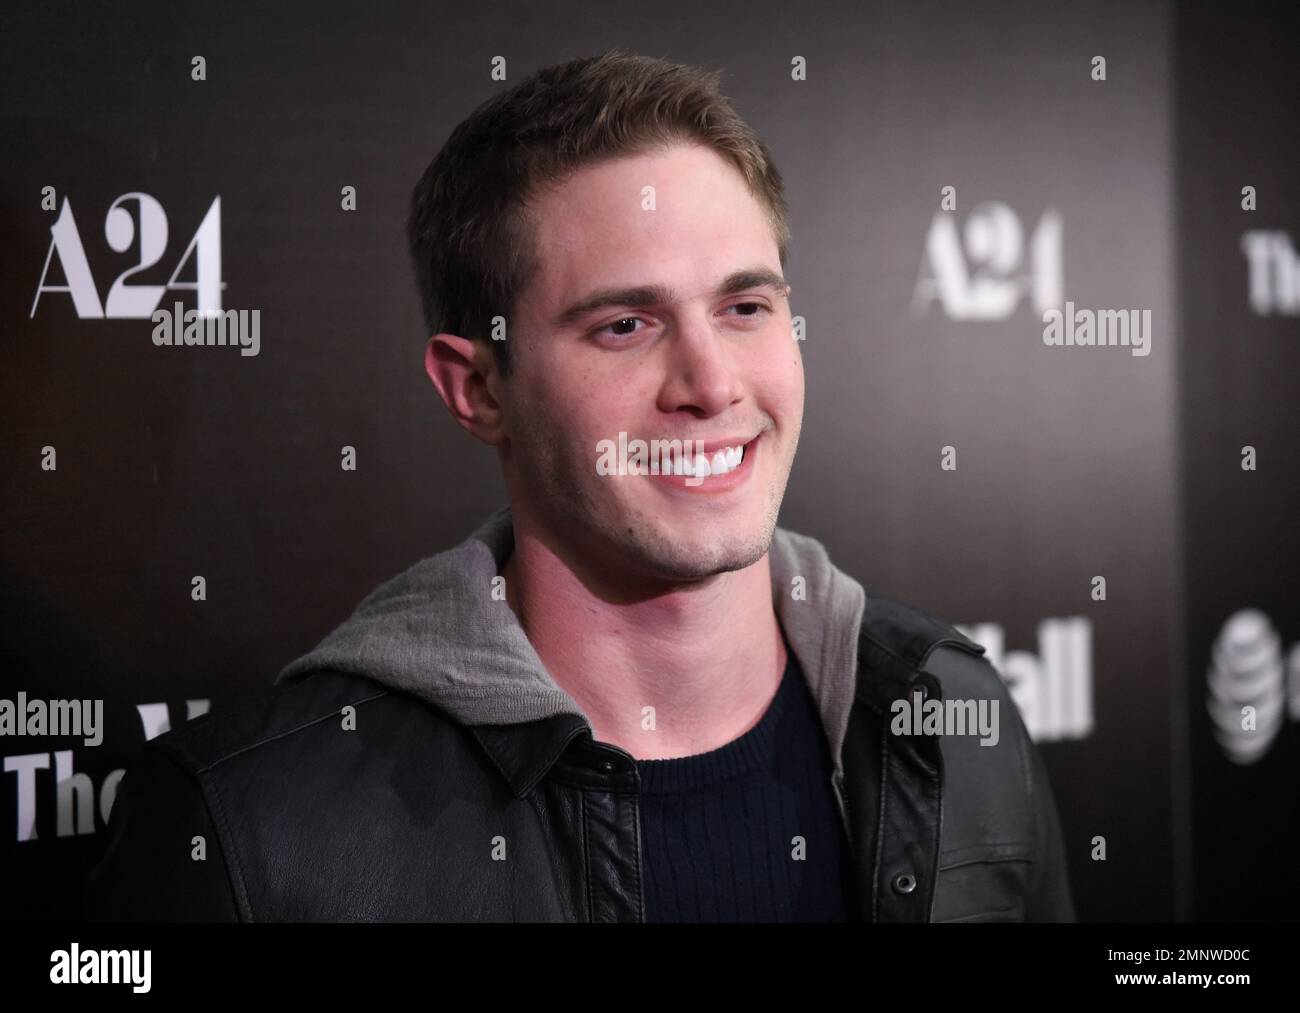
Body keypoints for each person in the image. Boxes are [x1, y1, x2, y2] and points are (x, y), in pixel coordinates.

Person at [84, 49, 1074, 923]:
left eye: (744, 305)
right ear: (477, 388)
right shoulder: (252, 823)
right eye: (623, 326)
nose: (712, 383)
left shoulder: (947, 712)